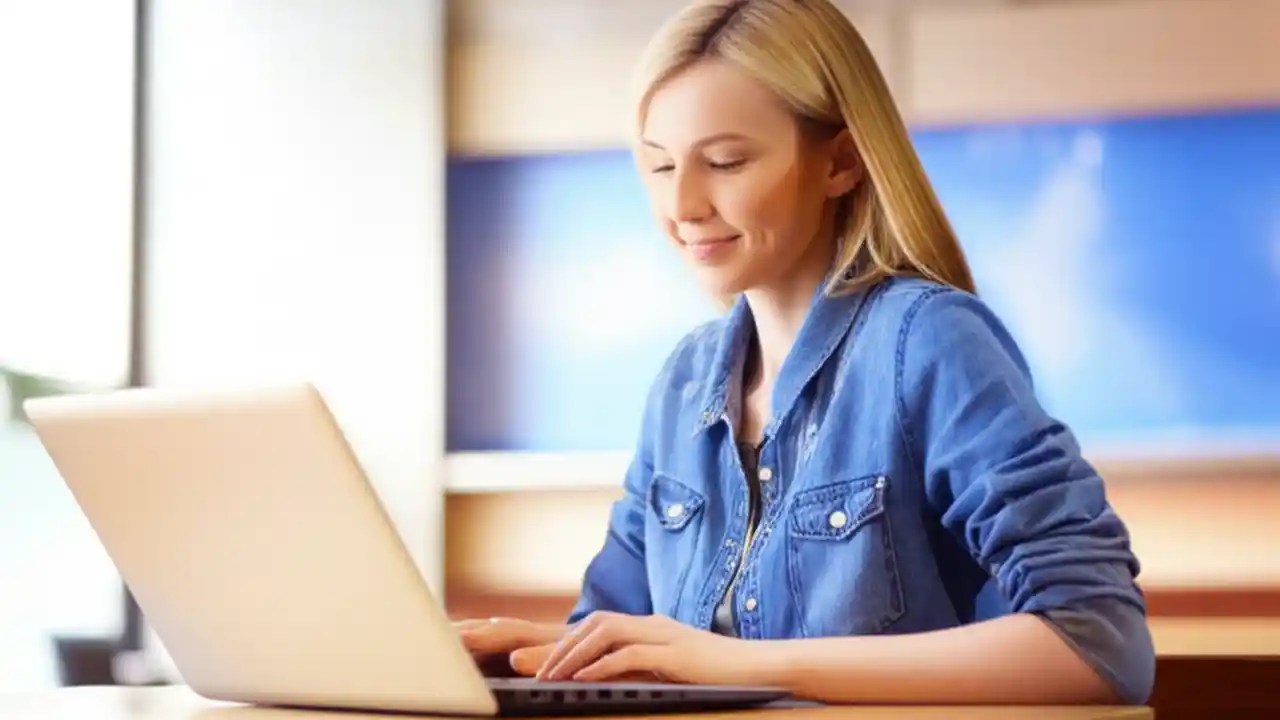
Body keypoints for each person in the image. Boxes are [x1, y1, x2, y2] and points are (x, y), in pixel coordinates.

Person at [457, 0, 1154, 706]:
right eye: (661, 167)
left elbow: (1098, 642)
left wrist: (733, 665)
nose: (684, 205)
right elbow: (630, 644)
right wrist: (532, 651)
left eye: (725, 161)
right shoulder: (684, 382)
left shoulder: (928, 342)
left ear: (841, 163)